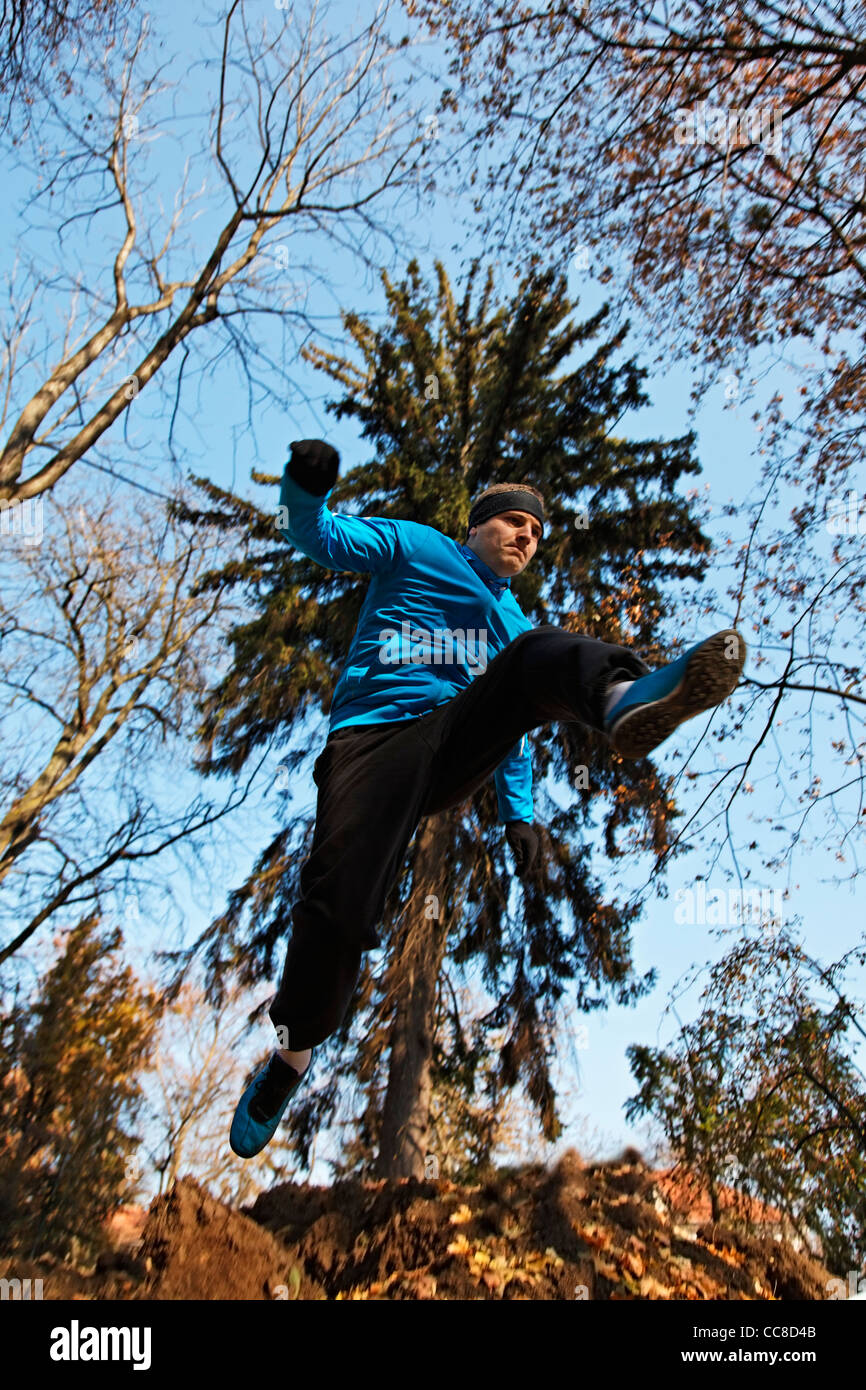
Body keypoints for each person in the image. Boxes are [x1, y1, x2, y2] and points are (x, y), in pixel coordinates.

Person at [230, 439, 746, 1158]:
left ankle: (624, 695)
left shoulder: (512, 622)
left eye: (536, 535)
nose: (526, 539)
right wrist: (303, 490)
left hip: (453, 749)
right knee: (337, 903)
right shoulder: (413, 546)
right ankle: (290, 1059)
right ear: (477, 525)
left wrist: (521, 815)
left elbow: (521, 732)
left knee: (537, 656)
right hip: (375, 740)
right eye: (515, 524)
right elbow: (317, 538)